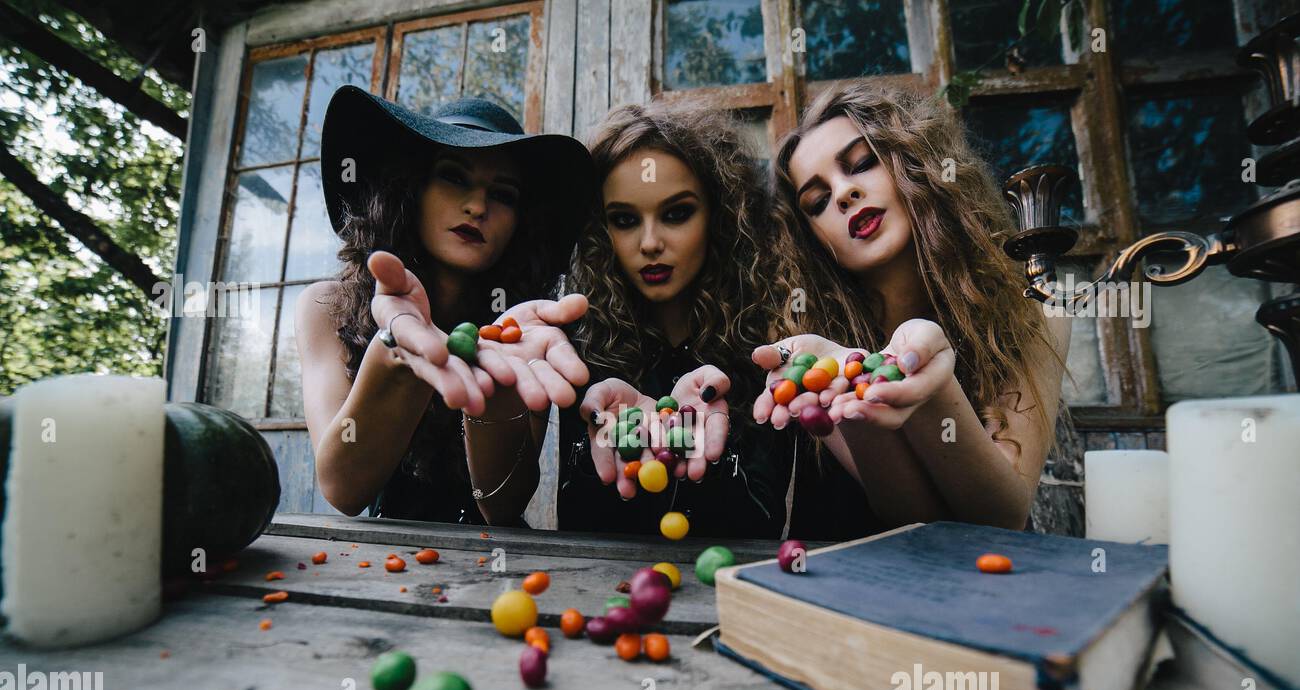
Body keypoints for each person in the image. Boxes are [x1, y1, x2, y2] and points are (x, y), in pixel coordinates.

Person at [756, 80, 1070, 538]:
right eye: (818, 202)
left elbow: (1000, 517)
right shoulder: (811, 342)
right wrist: (854, 397)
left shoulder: (1032, 312)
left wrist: (933, 387)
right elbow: (910, 519)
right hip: (833, 592)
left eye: (862, 164)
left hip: (982, 596)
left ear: (915, 165)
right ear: (813, 243)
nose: (843, 194)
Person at [463, 102, 791, 538]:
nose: (650, 243)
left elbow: (766, 519)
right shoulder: (572, 344)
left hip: (734, 597)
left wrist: (702, 448)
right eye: (624, 220)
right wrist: (494, 395)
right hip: (593, 597)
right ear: (601, 229)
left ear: (720, 215)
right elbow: (499, 508)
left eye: (676, 213)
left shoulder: (771, 341)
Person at [295, 86, 594, 523]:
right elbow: (344, 489)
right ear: (411, 186)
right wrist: (398, 353)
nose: (477, 206)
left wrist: (496, 395)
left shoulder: (522, 332)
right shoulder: (326, 307)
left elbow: (503, 506)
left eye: (504, 195)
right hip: (377, 567)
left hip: (492, 569)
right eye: (454, 176)